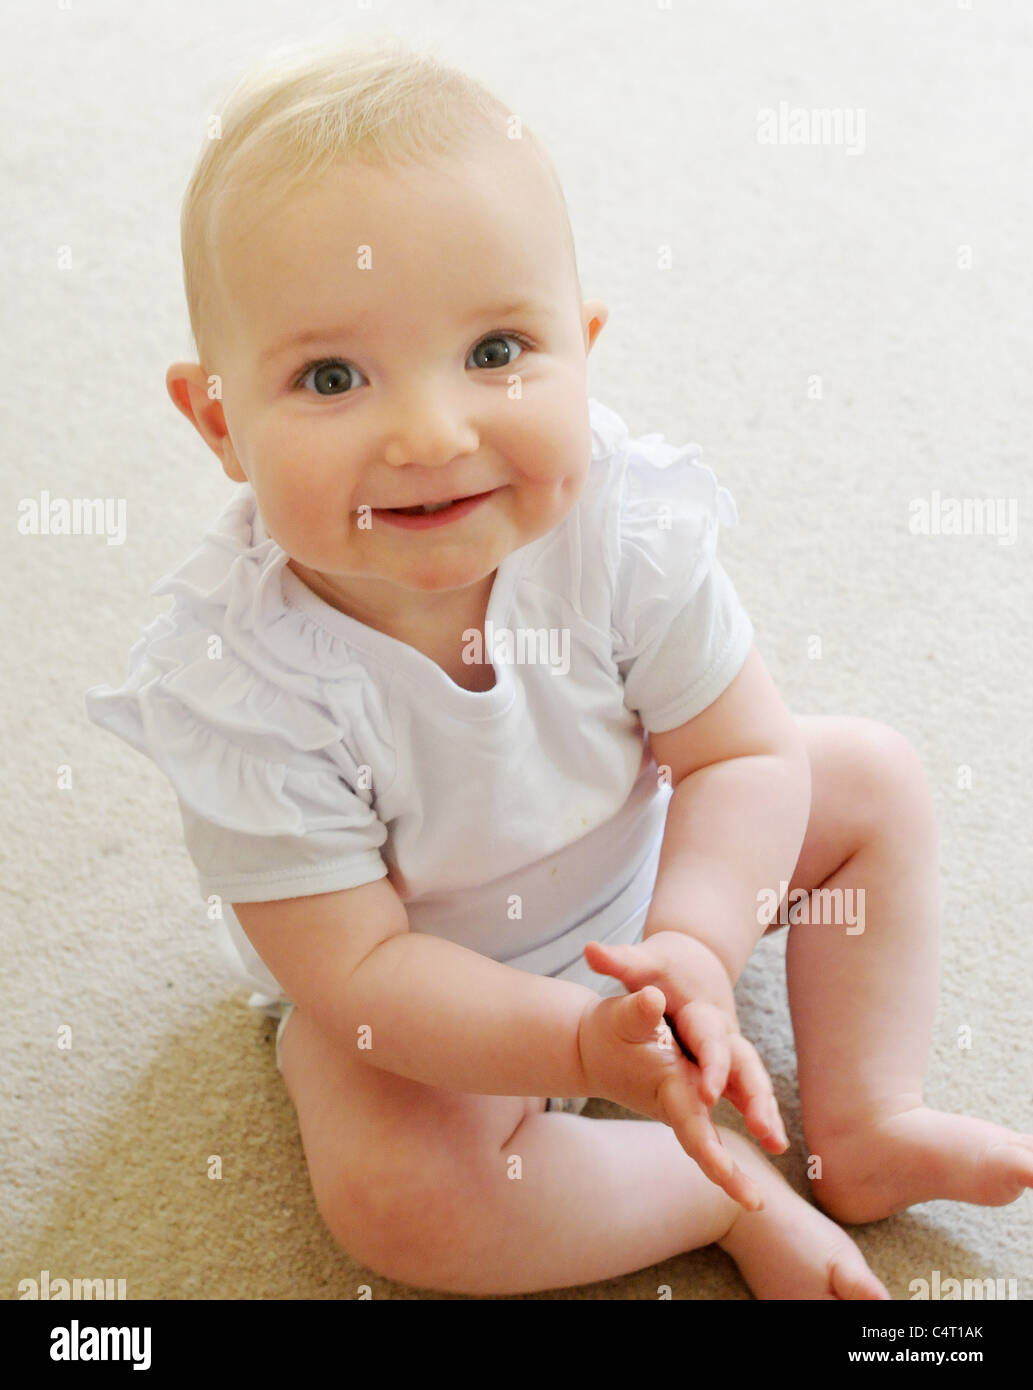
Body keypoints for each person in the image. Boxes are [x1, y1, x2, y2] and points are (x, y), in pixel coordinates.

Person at [84, 36, 1033, 1298]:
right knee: (397, 1194)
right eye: (330, 375)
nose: (431, 432)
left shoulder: (623, 528)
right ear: (217, 422)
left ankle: (862, 1119)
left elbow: (739, 752)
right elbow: (360, 973)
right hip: (427, 998)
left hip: (649, 876)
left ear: (581, 351)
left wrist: (694, 941)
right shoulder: (241, 682)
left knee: (867, 781)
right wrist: (582, 1040)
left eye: (494, 353)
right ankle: (722, 1190)